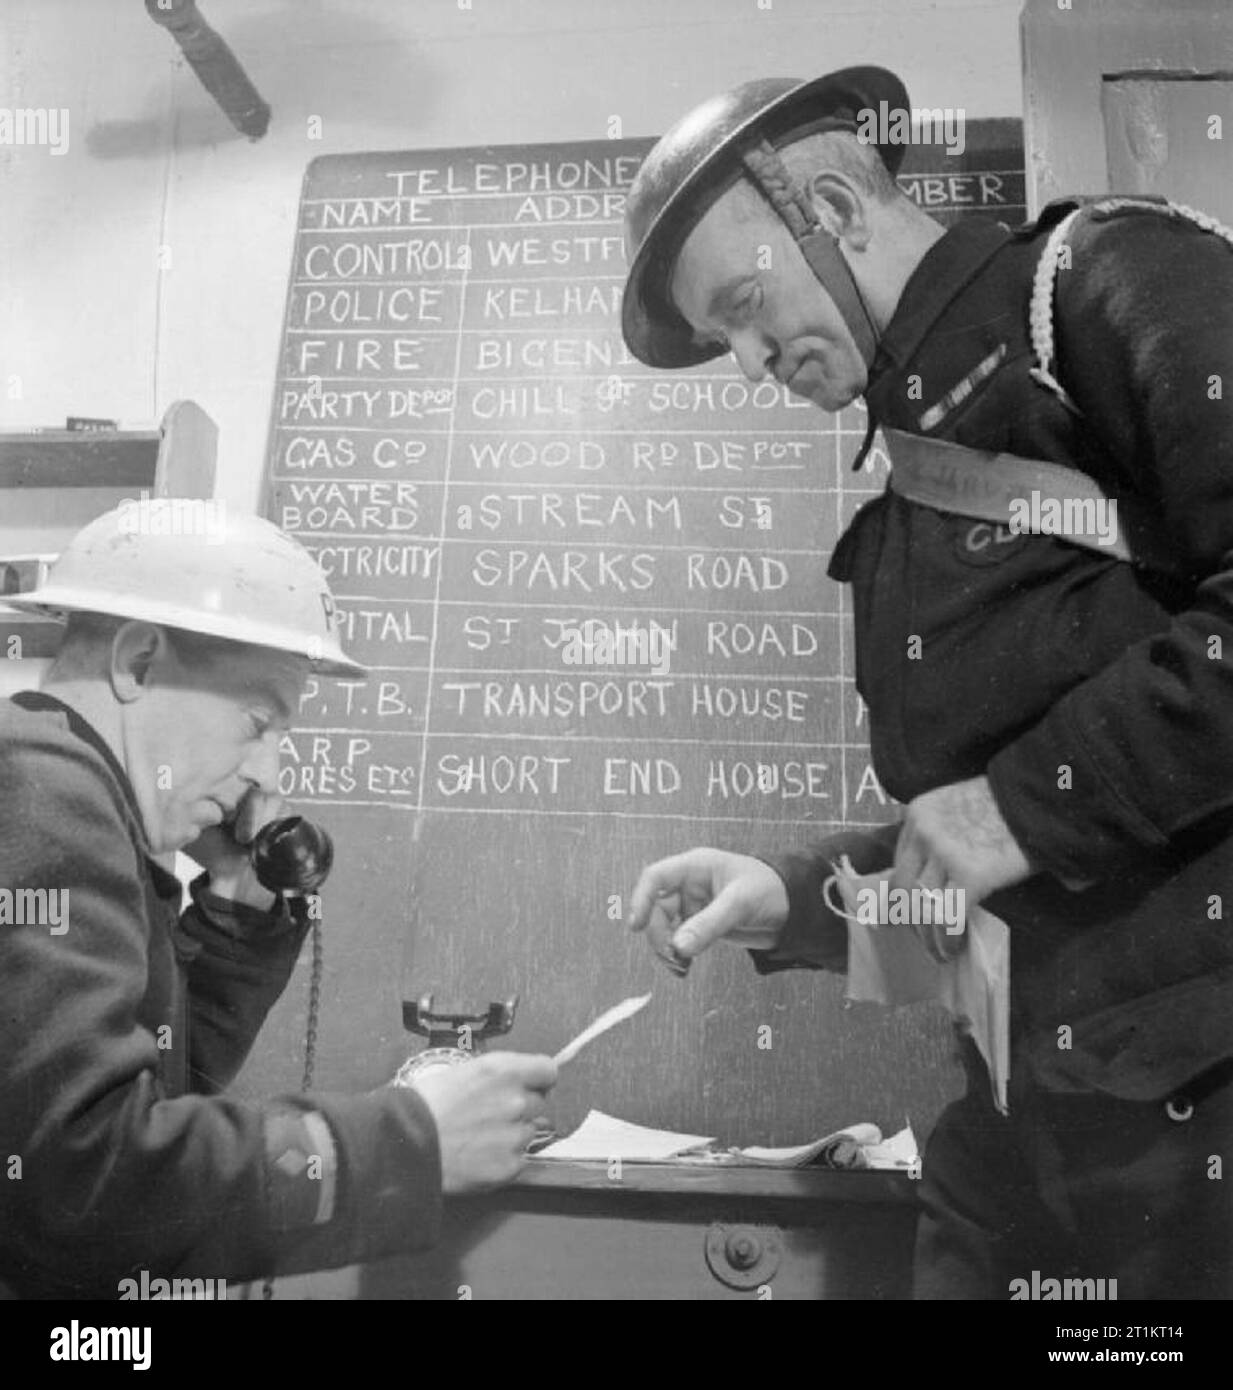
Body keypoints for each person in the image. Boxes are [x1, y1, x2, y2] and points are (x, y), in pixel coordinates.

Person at [622, 65, 1233, 1299]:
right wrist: (792, 903)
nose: (746, 364)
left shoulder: (1104, 281)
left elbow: (1012, 820)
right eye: (721, 337)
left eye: (744, 304)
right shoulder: (910, 485)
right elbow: (987, 867)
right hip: (1025, 1122)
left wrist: (1016, 809)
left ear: (837, 203)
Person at [0, 502, 557, 1299]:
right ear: (140, 662)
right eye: (259, 723)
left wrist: (237, 902)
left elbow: (150, 1097)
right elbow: (80, 1185)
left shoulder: (72, 796)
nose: (270, 775)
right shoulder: (43, 795)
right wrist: (405, 1145)